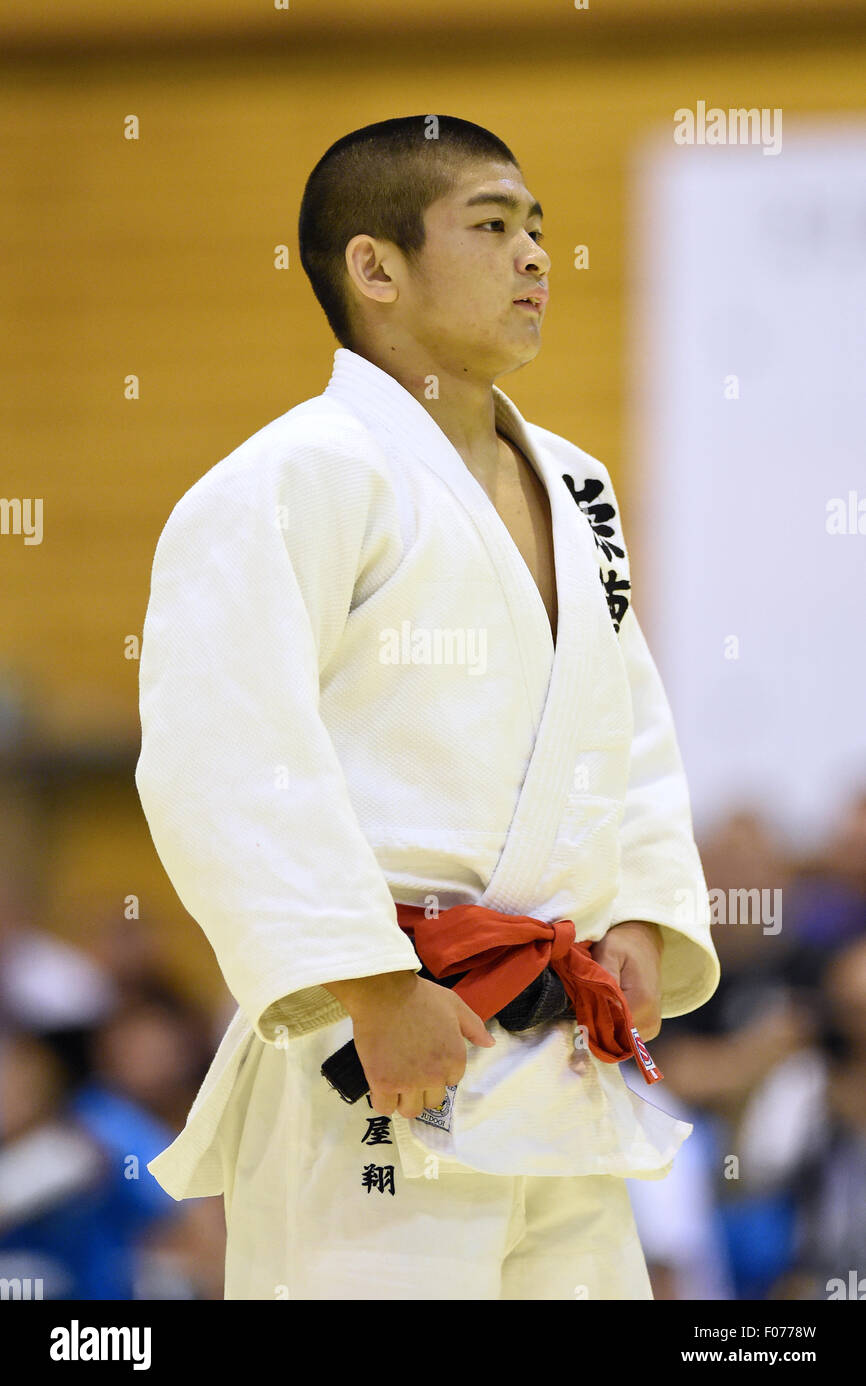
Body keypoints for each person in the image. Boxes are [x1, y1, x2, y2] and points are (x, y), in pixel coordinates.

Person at [134, 114, 720, 1300]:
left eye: (538, 230)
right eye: (492, 226)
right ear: (375, 267)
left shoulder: (574, 483)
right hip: (383, 1044)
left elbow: (625, 721)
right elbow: (225, 753)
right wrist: (365, 981)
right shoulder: (288, 479)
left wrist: (644, 910)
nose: (535, 258)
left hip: (553, 1051)